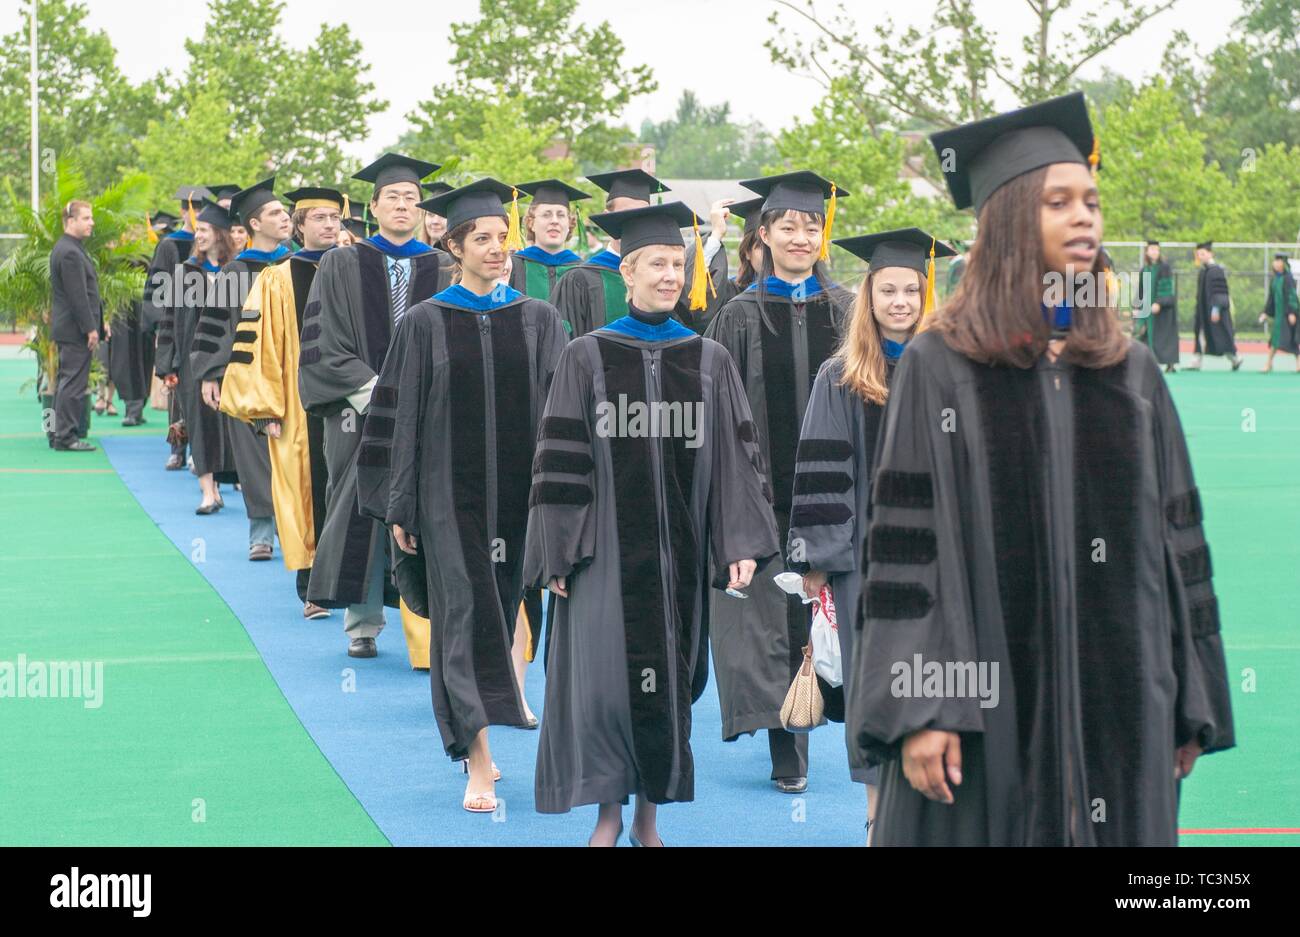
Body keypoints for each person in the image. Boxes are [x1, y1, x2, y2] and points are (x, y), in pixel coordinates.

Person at [845, 91, 1235, 846]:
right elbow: (905, 554)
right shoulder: (940, 365)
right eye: (1059, 201)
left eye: (1091, 201)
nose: (1085, 216)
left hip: (1121, 717)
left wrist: (1189, 698)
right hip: (979, 718)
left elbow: (1178, 548)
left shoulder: (1130, 372)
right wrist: (923, 706)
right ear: (1012, 218)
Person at [522, 200, 778, 845]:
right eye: (657, 264)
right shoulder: (586, 356)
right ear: (628, 271)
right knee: (605, 684)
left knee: (668, 681)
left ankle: (647, 820)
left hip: (678, 553)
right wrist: (558, 551)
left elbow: (736, 459)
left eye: (678, 263)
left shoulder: (708, 358)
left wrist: (739, 542)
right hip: (604, 552)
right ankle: (608, 816)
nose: (670, 275)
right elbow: (559, 459)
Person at [354, 177, 569, 813]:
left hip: (520, 501)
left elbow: (563, 417)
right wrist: (401, 507)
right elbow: (399, 418)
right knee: (460, 626)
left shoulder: (538, 319)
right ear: (453, 245)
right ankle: (477, 759)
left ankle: (502, 723)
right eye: (483, 239)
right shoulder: (424, 322)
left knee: (506, 618)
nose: (498, 248)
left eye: (504, 237)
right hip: (446, 501)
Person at [787, 227, 955, 838]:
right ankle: (878, 823)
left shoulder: (952, 373)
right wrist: (817, 563)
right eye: (889, 289)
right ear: (870, 295)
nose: (902, 300)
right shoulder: (840, 378)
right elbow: (822, 471)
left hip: (938, 567)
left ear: (925, 294)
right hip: (863, 566)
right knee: (877, 690)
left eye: (912, 289)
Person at [704, 170, 853, 794]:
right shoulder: (736, 316)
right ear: (763, 234)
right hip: (762, 494)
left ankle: (844, 719)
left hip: (835, 493)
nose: (800, 235)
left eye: (811, 226)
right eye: (787, 225)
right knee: (770, 617)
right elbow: (714, 410)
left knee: (832, 609)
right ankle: (785, 740)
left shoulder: (848, 309)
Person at [298, 152, 450, 659]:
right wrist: (379, 391)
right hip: (357, 409)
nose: (403, 206)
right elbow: (323, 342)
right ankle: (362, 622)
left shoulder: (443, 266)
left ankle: (426, 632)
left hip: (430, 411)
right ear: (374, 205)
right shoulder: (342, 262)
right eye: (394, 198)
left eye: (411, 198)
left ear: (422, 208)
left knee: (425, 506)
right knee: (359, 501)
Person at [220, 186, 347, 619]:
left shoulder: (358, 270)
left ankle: (354, 585)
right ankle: (311, 585)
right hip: (298, 406)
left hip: (352, 400)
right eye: (319, 218)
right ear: (299, 225)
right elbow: (260, 346)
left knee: (346, 489)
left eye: (334, 217)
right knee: (304, 489)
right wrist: (264, 407)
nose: (329, 225)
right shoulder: (276, 278)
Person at [192, 178, 287, 561]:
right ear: (254, 224)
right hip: (248, 377)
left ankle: (296, 532)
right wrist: (211, 373)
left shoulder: (296, 265)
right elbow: (214, 325)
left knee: (292, 456)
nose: (285, 217)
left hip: (292, 377)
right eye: (275, 213)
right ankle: (261, 533)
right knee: (252, 455)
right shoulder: (236, 272)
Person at [548, 169, 728, 335]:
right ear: (608, 215)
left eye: (643, 212)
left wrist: (715, 236)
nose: (637, 218)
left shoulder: (667, 281)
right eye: (627, 212)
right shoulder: (579, 280)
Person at [154, 199, 239, 510]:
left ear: (220, 233)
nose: (198, 235)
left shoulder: (238, 270)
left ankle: (228, 479)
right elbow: (169, 319)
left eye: (204, 229)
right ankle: (208, 491)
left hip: (232, 363)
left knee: (228, 423)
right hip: (193, 363)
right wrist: (167, 365)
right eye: (198, 230)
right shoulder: (187, 272)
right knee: (200, 424)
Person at [151, 187, 206, 469]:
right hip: (177, 325)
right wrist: (161, 329)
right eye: (193, 208)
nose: (196, 213)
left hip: (205, 328)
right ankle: (177, 447)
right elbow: (158, 288)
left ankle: (202, 452)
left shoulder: (214, 246)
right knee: (177, 391)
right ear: (184, 211)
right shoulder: (170, 245)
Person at [49, 200, 102, 452]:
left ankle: (60, 433)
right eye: (87, 218)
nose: (92, 223)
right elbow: (78, 296)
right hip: (74, 330)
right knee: (72, 384)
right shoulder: (69, 252)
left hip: (70, 328)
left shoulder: (70, 248)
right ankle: (66, 437)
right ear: (71, 221)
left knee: (68, 382)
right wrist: (90, 328)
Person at [508, 178, 588, 303]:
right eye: (546, 214)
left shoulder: (584, 271)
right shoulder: (512, 267)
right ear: (531, 223)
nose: (554, 221)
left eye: (561, 215)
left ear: (570, 224)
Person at [1188, 241, 1243, 371]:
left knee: (1221, 335)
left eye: (1203, 253)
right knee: (1200, 333)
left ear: (1210, 254)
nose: (1200, 256)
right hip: (1203, 311)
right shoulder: (1203, 272)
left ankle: (1235, 359)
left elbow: (1221, 291)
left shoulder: (1216, 271)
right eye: (1198, 254)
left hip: (1215, 311)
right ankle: (1196, 361)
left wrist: (1216, 309)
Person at [1136, 239, 1179, 372]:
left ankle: (1170, 364)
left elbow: (1167, 288)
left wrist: (1159, 303)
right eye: (1151, 249)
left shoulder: (1164, 267)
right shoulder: (1145, 269)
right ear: (1147, 252)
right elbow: (1141, 290)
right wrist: (1137, 307)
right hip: (1149, 308)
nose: (1154, 252)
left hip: (1163, 309)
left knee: (1164, 336)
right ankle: (1147, 362)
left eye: (1156, 250)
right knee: (1144, 334)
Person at [1259, 253, 1299, 373]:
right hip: (1278, 315)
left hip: (1287, 315)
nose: (1275, 263)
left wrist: (1292, 312)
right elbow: (1271, 299)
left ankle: (1296, 364)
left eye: (1278, 261)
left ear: (1284, 264)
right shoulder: (1275, 279)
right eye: (1275, 261)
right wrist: (1266, 312)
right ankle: (1269, 363)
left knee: (1291, 339)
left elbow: (1292, 296)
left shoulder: (1288, 279)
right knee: (1276, 340)